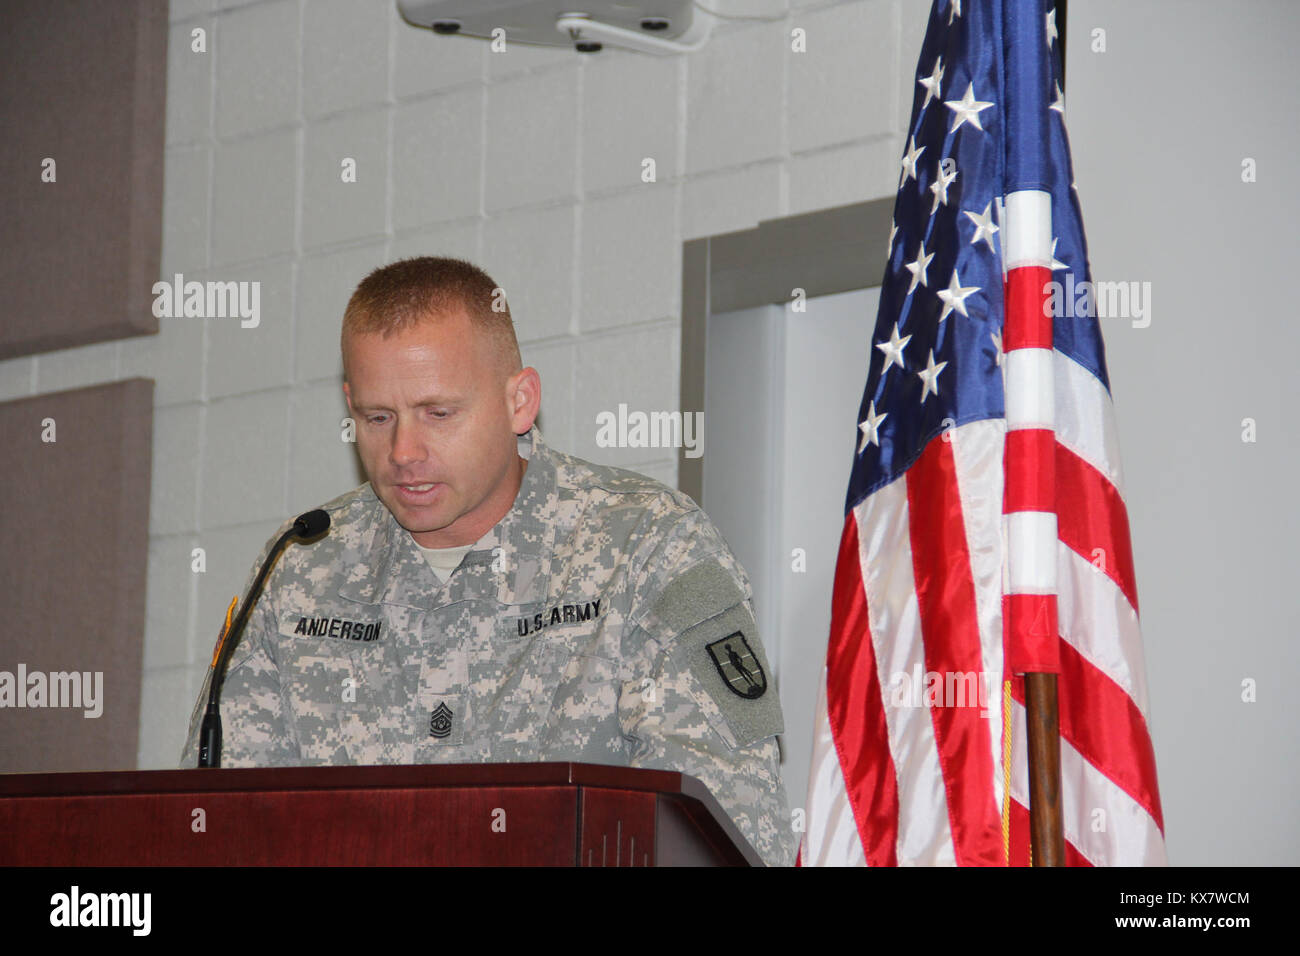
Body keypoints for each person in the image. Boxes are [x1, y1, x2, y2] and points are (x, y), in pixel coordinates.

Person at [180, 256, 797, 867]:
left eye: (438, 413)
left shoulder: (649, 544)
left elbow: (727, 827)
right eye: (377, 417)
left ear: (520, 401)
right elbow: (212, 828)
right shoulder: (302, 567)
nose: (403, 451)